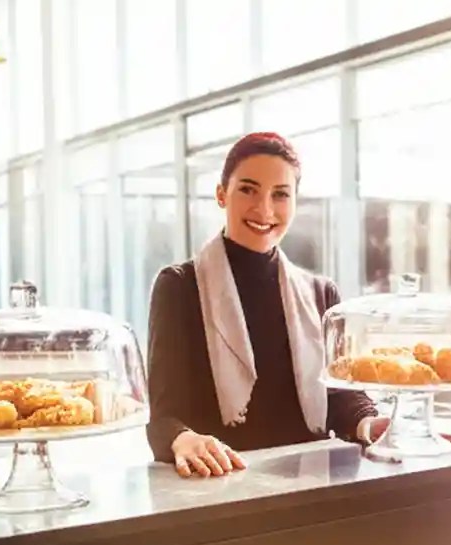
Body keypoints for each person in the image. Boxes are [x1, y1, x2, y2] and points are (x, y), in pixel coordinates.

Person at [145, 132, 381, 477]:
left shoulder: (321, 294)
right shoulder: (179, 287)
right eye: (248, 189)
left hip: (310, 487)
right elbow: (164, 417)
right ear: (221, 194)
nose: (264, 209)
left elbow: (342, 399)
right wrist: (184, 438)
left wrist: (373, 424)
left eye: (281, 195)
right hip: (216, 486)